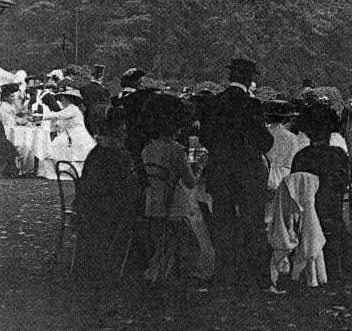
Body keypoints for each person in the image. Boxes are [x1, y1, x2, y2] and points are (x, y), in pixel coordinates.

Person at [198, 57, 273, 289]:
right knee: (253, 222)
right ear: (249, 79)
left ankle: (223, 273)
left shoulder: (213, 103)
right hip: (247, 172)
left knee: (223, 222)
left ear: (230, 77)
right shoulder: (252, 106)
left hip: (221, 171)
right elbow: (265, 141)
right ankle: (253, 275)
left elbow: (204, 137)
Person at [140, 93, 215, 295]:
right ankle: (184, 271)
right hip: (173, 209)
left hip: (152, 205)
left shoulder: (147, 149)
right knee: (200, 215)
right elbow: (190, 182)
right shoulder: (176, 151)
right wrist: (199, 166)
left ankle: (160, 268)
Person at [72, 106, 140, 282]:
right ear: (117, 133)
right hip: (104, 208)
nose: (125, 135)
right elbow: (124, 188)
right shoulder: (118, 155)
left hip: (86, 205)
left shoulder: (96, 153)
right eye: (123, 131)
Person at [291, 102, 352, 276]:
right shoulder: (337, 155)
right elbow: (345, 183)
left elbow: (295, 187)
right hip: (331, 210)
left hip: (305, 213)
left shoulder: (301, 156)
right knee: (334, 215)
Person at [37, 88, 97, 179]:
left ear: (69, 99)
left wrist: (41, 116)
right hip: (68, 134)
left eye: (64, 98)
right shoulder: (68, 108)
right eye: (61, 98)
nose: (62, 100)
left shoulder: (72, 108)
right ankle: (55, 170)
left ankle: (70, 171)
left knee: (74, 152)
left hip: (77, 134)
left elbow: (59, 115)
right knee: (55, 147)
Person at [264, 100, 302, 192]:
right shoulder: (292, 137)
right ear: (285, 119)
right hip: (285, 177)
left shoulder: (263, 134)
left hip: (265, 177)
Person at [80, 64, 111, 136]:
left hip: (85, 117)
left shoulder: (83, 88)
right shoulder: (104, 91)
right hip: (99, 119)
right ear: (101, 77)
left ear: (92, 76)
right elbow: (106, 107)